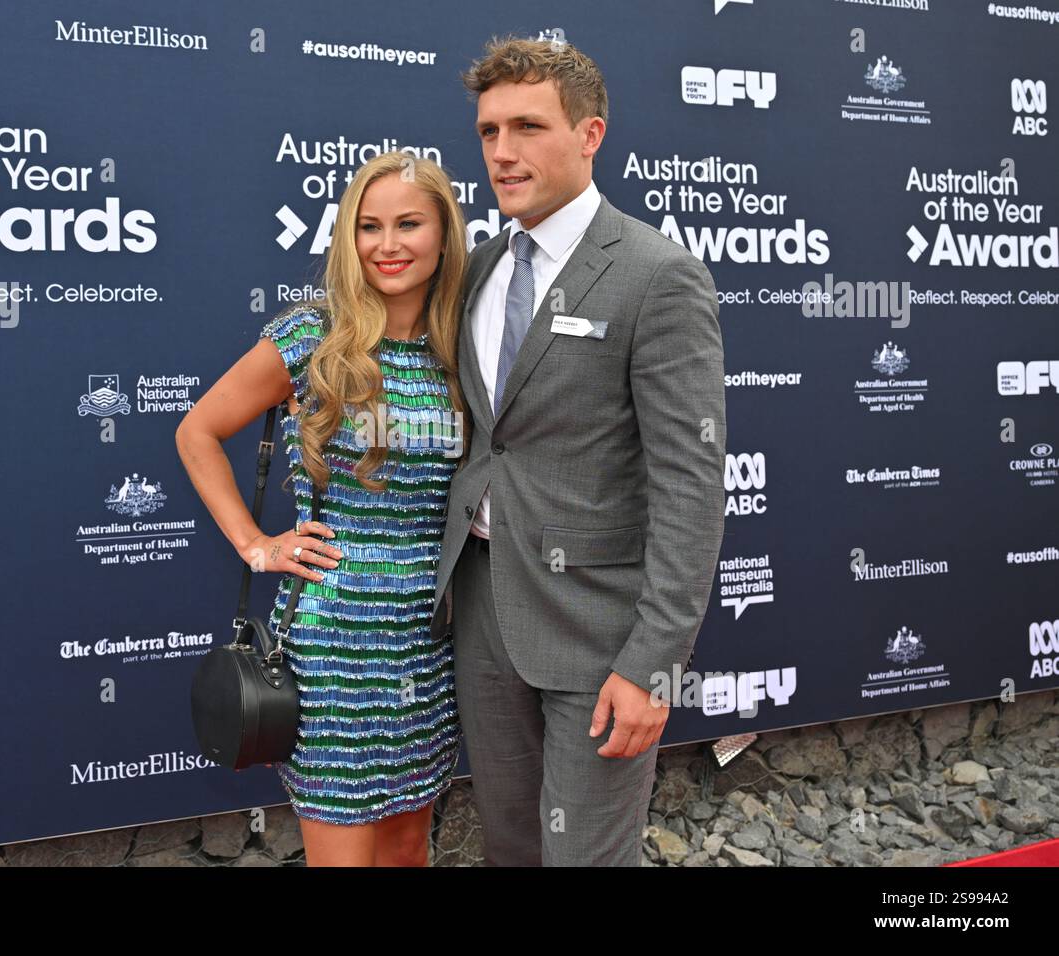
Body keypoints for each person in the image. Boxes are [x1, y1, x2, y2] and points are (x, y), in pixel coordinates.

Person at [429, 36, 727, 865]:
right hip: (485, 610)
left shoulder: (656, 275)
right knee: (514, 848)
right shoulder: (479, 268)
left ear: (590, 135)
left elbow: (690, 484)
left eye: (528, 127)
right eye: (489, 131)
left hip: (600, 631)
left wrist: (655, 663)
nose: (503, 152)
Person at [176, 151, 470, 866]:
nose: (387, 244)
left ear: (444, 236)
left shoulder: (463, 349)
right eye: (369, 226)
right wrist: (257, 544)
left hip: (429, 642)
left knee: (408, 848)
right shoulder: (313, 338)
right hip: (335, 644)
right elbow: (197, 431)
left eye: (408, 224)